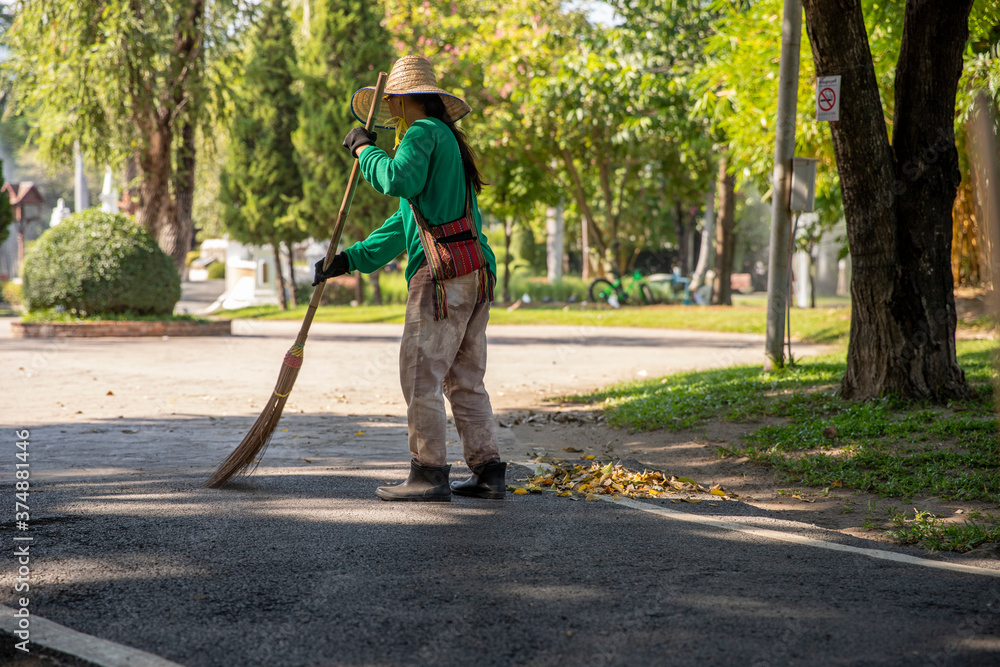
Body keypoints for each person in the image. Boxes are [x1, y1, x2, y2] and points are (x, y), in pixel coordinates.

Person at [313, 55, 506, 502]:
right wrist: (348, 261)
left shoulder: (421, 133)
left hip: (441, 278)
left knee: (421, 377)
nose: (391, 115)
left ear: (401, 102)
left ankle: (429, 474)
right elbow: (405, 225)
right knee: (465, 379)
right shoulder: (447, 141)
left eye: (393, 105)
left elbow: (395, 179)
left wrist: (365, 150)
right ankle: (488, 471)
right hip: (475, 271)